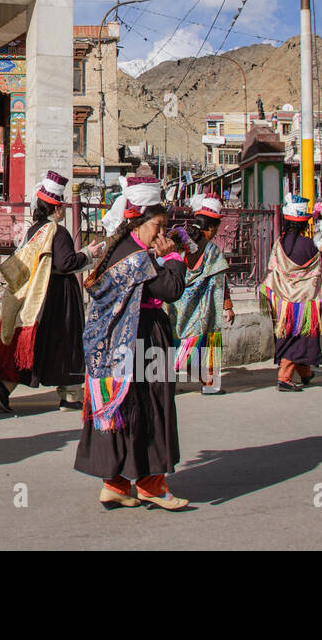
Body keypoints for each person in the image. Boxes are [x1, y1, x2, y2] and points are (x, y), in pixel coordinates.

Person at [75, 177, 189, 511]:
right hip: (143, 339)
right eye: (158, 225)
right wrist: (175, 259)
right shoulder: (138, 259)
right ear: (140, 221)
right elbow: (171, 290)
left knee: (125, 410)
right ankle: (152, 484)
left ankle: (116, 483)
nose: (161, 233)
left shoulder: (122, 249)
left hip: (116, 346)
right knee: (151, 407)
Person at [0, 170, 100, 413]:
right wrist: (89, 253)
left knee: (36, 347)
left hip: (37, 299)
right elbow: (65, 264)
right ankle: (69, 397)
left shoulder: (33, 231)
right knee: (65, 344)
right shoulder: (57, 232)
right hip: (59, 298)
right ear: (57, 209)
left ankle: (4, 387)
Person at [166, 194, 233, 395]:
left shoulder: (179, 241)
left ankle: (168, 385)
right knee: (206, 342)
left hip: (175, 303)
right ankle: (209, 383)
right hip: (202, 309)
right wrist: (227, 305)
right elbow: (221, 281)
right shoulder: (212, 251)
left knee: (173, 340)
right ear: (212, 227)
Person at [261, 195, 322, 391]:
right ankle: (285, 377)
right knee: (299, 336)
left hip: (280, 300)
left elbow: (272, 270)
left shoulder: (279, 244)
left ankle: (305, 373)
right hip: (302, 302)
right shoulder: (309, 246)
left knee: (288, 334)